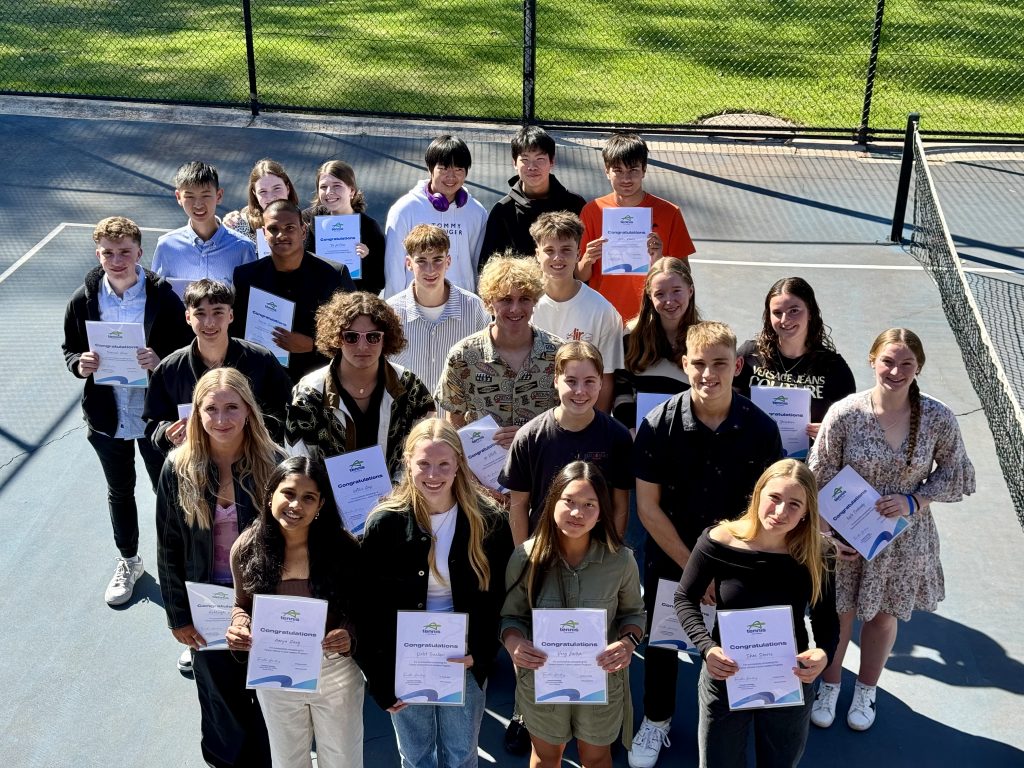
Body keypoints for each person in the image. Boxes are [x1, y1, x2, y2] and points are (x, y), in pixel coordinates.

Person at [629, 321, 783, 768]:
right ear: (684, 365)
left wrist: (725, 566)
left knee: (734, 644)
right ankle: (656, 720)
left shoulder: (761, 429)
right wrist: (697, 570)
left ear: (737, 366)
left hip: (739, 562)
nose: (708, 374)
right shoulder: (658, 425)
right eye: (699, 363)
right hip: (672, 557)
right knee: (662, 644)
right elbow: (648, 509)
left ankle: (737, 715)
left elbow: (764, 508)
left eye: (719, 363)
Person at [807, 328, 975, 732]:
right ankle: (830, 685)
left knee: (882, 616)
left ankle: (866, 689)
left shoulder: (938, 417)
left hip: (903, 541)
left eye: (906, 364)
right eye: (888, 361)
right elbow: (817, 473)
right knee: (840, 614)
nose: (895, 371)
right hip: (845, 538)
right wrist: (828, 535)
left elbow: (959, 474)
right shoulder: (845, 412)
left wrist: (914, 500)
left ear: (918, 368)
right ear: (871, 360)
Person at [359, 419, 514, 768]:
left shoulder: (489, 522)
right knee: (416, 756)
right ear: (407, 462)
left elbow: (503, 597)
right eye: (424, 464)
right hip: (406, 658)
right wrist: (380, 678)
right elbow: (366, 608)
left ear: (459, 464)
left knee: (461, 754)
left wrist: (484, 652)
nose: (434, 474)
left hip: (464, 654)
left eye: (444, 464)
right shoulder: (385, 524)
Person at [675, 459, 839, 767]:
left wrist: (824, 655)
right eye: (774, 498)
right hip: (725, 673)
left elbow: (827, 620)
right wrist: (707, 648)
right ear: (757, 494)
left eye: (794, 504)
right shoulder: (718, 540)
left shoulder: (818, 553)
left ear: (807, 511)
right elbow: (685, 598)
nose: (780, 512)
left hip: (790, 675)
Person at [156, 367, 282, 767]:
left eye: (232, 407)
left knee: (269, 697)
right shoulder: (177, 468)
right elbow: (168, 547)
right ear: (196, 413)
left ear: (249, 410)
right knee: (219, 701)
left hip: (265, 601)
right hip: (206, 605)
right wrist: (178, 615)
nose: (222, 419)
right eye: (211, 409)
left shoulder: (276, 464)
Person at [62, 215, 191, 605]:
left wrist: (160, 360)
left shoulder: (164, 297)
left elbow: (187, 351)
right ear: (97, 253)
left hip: (155, 418)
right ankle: (129, 560)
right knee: (120, 492)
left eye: (124, 252)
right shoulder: (83, 300)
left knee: (167, 492)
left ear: (139, 252)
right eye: (108, 253)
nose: (116, 260)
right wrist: (78, 364)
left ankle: (178, 563)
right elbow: (69, 348)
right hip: (107, 416)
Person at [501, 461, 646, 767]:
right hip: (542, 679)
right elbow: (511, 617)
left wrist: (628, 643)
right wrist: (513, 643)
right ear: (553, 502)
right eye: (569, 502)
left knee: (596, 759)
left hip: (601, 681)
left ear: (601, 510)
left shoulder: (621, 561)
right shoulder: (525, 557)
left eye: (589, 505)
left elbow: (634, 614)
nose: (577, 513)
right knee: (545, 757)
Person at [226, 456, 364, 768]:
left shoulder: (344, 547)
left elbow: (360, 607)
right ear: (270, 494)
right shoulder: (246, 548)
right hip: (275, 670)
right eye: (288, 493)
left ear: (321, 505)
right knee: (288, 761)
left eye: (308, 498)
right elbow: (241, 605)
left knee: (343, 759)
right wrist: (239, 626)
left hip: (335, 670)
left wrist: (347, 632)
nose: (296, 505)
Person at [285, 291, 435, 478]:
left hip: (397, 502)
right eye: (351, 337)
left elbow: (426, 452)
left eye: (372, 337)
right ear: (337, 338)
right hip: (326, 503)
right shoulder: (310, 392)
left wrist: (394, 498)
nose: (362, 346)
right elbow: (300, 462)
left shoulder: (410, 387)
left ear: (385, 338)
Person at [500, 341, 632, 545]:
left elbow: (620, 504)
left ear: (601, 383)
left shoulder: (617, 437)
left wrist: (613, 551)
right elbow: (518, 506)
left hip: (598, 554)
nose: (580, 391)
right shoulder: (530, 437)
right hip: (543, 552)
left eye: (589, 381)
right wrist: (523, 559)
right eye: (571, 381)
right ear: (555, 380)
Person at [144, 278, 293, 451]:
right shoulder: (169, 368)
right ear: (187, 317)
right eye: (200, 313)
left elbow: (286, 411)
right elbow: (153, 423)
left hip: (254, 460)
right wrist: (166, 433)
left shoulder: (261, 359)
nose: (209, 323)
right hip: (194, 465)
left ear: (230, 316)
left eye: (218, 312)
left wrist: (255, 429)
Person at [436, 252, 561, 448]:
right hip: (480, 474)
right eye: (505, 299)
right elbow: (454, 420)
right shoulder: (462, 356)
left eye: (525, 299)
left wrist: (527, 438)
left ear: (535, 300)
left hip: (540, 469)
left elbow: (568, 416)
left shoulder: (557, 353)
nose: (515, 309)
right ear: (488, 303)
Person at [231, 199, 356, 382]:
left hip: (320, 380)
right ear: (264, 233)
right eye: (273, 229)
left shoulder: (333, 274)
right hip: (264, 380)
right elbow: (235, 333)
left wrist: (313, 345)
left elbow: (354, 332)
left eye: (289, 228)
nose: (281, 235)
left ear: (303, 231)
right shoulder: (245, 277)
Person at [578, 133, 696, 321]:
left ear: (644, 170)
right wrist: (587, 259)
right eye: (618, 170)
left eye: (633, 170)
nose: (626, 179)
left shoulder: (669, 212)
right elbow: (580, 274)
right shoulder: (591, 211)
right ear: (606, 171)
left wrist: (660, 259)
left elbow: (684, 273)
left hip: (653, 315)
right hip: (604, 314)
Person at [736, 277, 856, 443]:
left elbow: (850, 425)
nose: (785, 320)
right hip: (755, 458)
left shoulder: (833, 367)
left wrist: (831, 431)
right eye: (777, 313)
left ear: (811, 313)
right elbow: (723, 402)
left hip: (807, 464)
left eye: (794, 310)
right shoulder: (750, 355)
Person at [529, 212, 623, 413]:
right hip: (531, 417)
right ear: (537, 254)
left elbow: (605, 379)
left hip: (581, 421)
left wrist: (596, 427)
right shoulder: (523, 306)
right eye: (549, 250)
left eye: (566, 250)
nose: (557, 258)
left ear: (578, 253)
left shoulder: (603, 311)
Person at [386, 224, 490, 394]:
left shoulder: (475, 308)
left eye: (437, 260)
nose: (430, 269)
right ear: (409, 264)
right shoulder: (390, 312)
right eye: (421, 261)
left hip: (459, 419)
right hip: (410, 419)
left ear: (448, 261)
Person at [384, 134, 488, 298]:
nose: (451, 176)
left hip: (462, 305)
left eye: (458, 169)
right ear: (430, 168)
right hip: (414, 304)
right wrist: (393, 311)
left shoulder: (476, 211)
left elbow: (479, 263)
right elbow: (394, 265)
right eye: (444, 168)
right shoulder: (404, 209)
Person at [479, 125, 586, 270]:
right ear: (514, 163)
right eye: (525, 159)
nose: (532, 167)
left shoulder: (575, 205)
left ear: (552, 162)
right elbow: (489, 266)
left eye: (540, 159)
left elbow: (585, 261)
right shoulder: (503, 211)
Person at [612, 257, 700, 430]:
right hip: (640, 437)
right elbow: (622, 390)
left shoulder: (703, 340)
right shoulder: (632, 335)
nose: (669, 300)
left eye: (677, 291)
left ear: (690, 291)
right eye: (660, 294)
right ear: (649, 296)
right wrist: (630, 429)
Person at [152, 161, 257, 287]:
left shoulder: (243, 248)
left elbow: (250, 299)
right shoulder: (166, 246)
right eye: (190, 196)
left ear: (219, 196)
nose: (198, 204)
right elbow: (156, 296)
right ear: (178, 197)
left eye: (205, 195)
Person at [302, 159, 386, 295]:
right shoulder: (309, 219)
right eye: (323, 187)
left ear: (351, 190)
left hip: (354, 304)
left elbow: (378, 282)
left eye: (337, 186)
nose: (329, 192)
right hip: (319, 301)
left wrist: (367, 259)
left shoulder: (369, 227)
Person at [223, 158, 301, 243]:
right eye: (263, 191)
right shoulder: (240, 225)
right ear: (254, 194)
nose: (271, 197)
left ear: (287, 188)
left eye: (277, 188)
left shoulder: (302, 220)